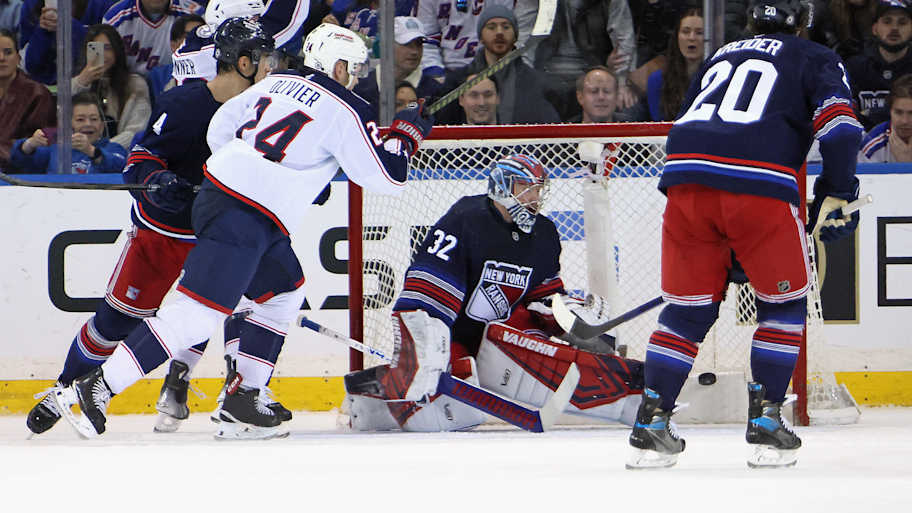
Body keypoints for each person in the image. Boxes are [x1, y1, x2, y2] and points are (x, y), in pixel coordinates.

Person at [52, 22, 434, 440]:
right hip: (247, 213)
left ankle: (242, 399)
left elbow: (222, 128)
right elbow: (388, 177)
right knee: (196, 316)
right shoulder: (347, 107)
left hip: (231, 201)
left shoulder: (280, 81)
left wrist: (259, 170)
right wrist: (408, 131)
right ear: (338, 66)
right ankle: (97, 388)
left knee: (284, 292)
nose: (356, 76)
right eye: (354, 67)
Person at [626, 0, 864, 469]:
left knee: (686, 313)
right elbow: (840, 131)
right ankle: (768, 421)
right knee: (784, 304)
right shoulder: (813, 56)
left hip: (684, 181)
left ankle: (651, 422)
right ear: (802, 25)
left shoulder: (721, 54)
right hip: (757, 186)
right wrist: (839, 189)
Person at [25, 17, 279, 437]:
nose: (273, 67)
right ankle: (63, 389)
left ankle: (217, 392)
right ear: (244, 62)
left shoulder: (265, 110)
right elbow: (140, 162)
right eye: (266, 58)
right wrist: (156, 184)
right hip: (161, 235)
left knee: (214, 312)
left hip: (216, 238)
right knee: (115, 322)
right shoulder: (184, 105)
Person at [343, 154, 644, 432]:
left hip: (499, 340)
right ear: (501, 185)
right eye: (525, 187)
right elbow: (428, 289)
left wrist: (568, 315)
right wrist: (425, 346)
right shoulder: (467, 218)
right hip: (455, 340)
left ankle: (630, 392)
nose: (534, 198)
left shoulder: (545, 234)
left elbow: (542, 295)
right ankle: (373, 398)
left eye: (538, 189)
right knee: (452, 411)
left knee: (524, 340)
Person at [439, 5, 559, 125]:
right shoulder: (457, 81)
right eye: (491, 27)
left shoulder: (536, 83)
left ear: (515, 36)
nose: (499, 32)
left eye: (506, 27)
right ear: (480, 37)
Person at [517, 0, 637, 120]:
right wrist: (526, 82)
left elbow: (623, 42)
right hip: (545, 73)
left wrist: (621, 82)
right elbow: (522, 43)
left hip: (595, 72)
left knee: (627, 105)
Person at [171, 0, 310, 86]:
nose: (256, 25)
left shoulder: (195, 41)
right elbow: (283, 22)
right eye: (252, 20)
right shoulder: (226, 47)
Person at [72, 23, 152, 149]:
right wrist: (81, 81)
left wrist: (100, 151)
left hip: (118, 156)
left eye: (108, 48)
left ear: (117, 51)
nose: (103, 55)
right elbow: (60, 116)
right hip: (77, 155)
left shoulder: (136, 84)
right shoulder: (76, 82)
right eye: (96, 49)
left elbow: (136, 131)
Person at [9, 91, 126, 173]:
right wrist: (31, 143)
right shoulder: (55, 150)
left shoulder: (114, 148)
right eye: (80, 119)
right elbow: (20, 160)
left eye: (94, 119)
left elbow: (121, 166)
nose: (88, 124)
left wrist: (91, 151)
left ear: (101, 126)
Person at [352, 16, 441, 113]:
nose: (415, 51)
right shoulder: (359, 88)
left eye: (418, 44)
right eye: (407, 44)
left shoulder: (435, 91)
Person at [846, 0, 912, 131]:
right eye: (887, 21)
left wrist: (871, 114)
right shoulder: (855, 67)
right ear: (875, 28)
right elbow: (845, 116)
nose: (894, 28)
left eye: (902, 22)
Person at [102, 0, 205, 77]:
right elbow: (104, 65)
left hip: (177, 79)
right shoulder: (115, 17)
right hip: (128, 84)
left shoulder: (195, 15)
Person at [0, 28, 55, 170]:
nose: (1, 58)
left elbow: (43, 144)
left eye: (8, 52)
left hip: (20, 172)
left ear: (18, 58)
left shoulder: (37, 94)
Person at [417, 0, 514, 80]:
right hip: (445, 71)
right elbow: (426, 40)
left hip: (488, 70)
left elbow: (507, 36)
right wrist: (435, 72)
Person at [646, 7, 704, 121]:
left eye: (699, 32)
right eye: (686, 31)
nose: (692, 38)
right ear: (677, 36)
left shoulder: (721, 77)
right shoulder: (657, 80)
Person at [145, 13, 204, 103]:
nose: (197, 42)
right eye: (189, 37)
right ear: (173, 45)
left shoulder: (219, 73)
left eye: (202, 36)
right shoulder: (158, 75)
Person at [859, 73, 912, 161]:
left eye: (911, 113)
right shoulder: (872, 145)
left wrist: (907, 163)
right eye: (898, 112)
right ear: (890, 111)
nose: (904, 121)